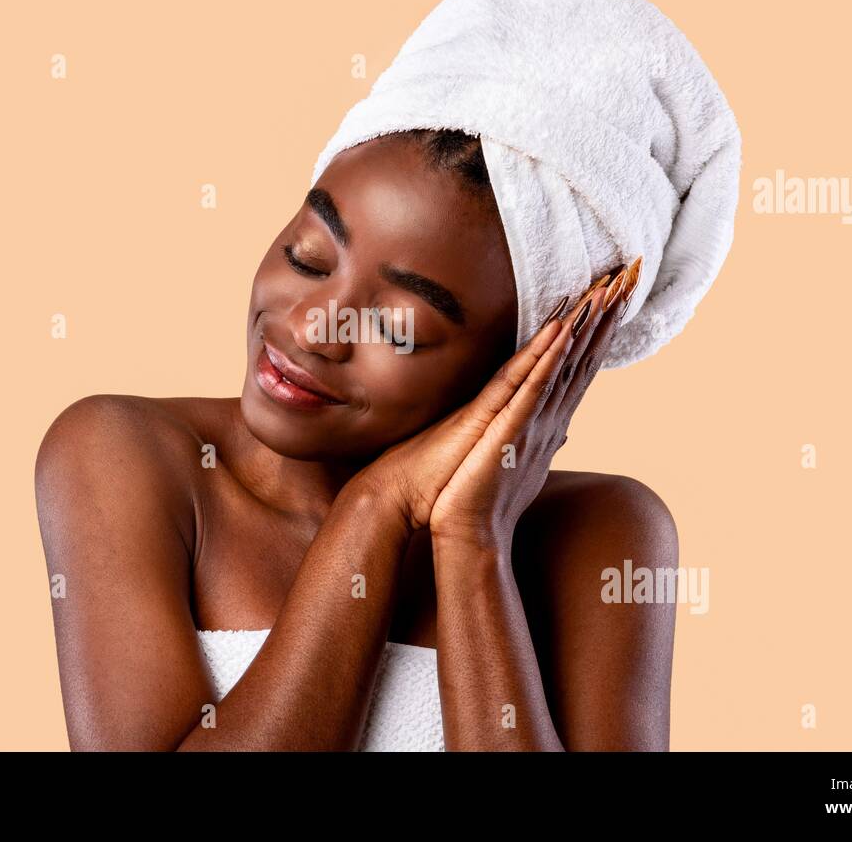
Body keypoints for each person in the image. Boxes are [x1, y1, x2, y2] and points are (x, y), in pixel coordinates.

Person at [34, 128, 678, 751]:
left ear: (527, 362)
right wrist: (377, 506)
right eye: (307, 258)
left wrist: (473, 539)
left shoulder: (602, 532)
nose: (313, 329)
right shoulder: (124, 455)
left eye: (398, 328)